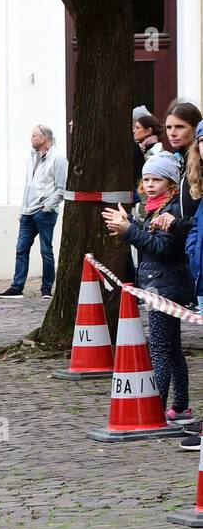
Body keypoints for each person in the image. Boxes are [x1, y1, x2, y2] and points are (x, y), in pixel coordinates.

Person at [103, 153, 193, 422]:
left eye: (157, 179)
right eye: (146, 179)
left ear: (172, 184)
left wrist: (129, 231)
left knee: (160, 350)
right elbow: (150, 237)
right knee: (172, 348)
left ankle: (156, 407)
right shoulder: (154, 207)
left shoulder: (171, 211)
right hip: (160, 285)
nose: (151, 184)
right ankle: (180, 406)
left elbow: (162, 247)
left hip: (164, 288)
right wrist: (132, 225)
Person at [0, 124, 66, 300]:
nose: (31, 139)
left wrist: (47, 207)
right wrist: (23, 211)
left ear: (43, 138)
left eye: (34, 136)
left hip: (45, 213)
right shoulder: (31, 157)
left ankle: (47, 289)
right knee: (21, 249)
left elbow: (61, 188)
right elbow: (29, 186)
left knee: (46, 250)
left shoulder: (58, 158)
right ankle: (16, 287)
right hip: (28, 212)